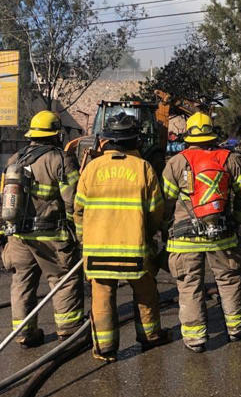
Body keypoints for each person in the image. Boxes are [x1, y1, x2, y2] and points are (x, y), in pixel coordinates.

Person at [73, 113, 170, 362]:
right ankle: (150, 336)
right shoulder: (143, 168)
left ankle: (106, 348)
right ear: (135, 140)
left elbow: (79, 210)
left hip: (97, 252)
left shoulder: (91, 169)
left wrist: (84, 240)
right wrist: (149, 234)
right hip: (134, 251)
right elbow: (156, 210)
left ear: (107, 140)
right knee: (146, 294)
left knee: (102, 298)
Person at [162, 112, 241, 352]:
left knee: (189, 285)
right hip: (222, 233)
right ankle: (238, 328)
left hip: (184, 237)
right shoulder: (229, 159)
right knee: (229, 280)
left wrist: (165, 226)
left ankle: (195, 339)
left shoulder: (176, 163)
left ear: (188, 135)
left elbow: (165, 201)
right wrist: (236, 220)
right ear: (212, 134)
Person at [1, 110, 84, 348]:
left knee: (22, 282)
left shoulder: (15, 159)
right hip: (51, 235)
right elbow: (73, 200)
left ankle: (24, 333)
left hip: (18, 235)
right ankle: (69, 331)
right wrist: (78, 233)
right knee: (63, 280)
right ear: (56, 134)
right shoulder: (61, 159)